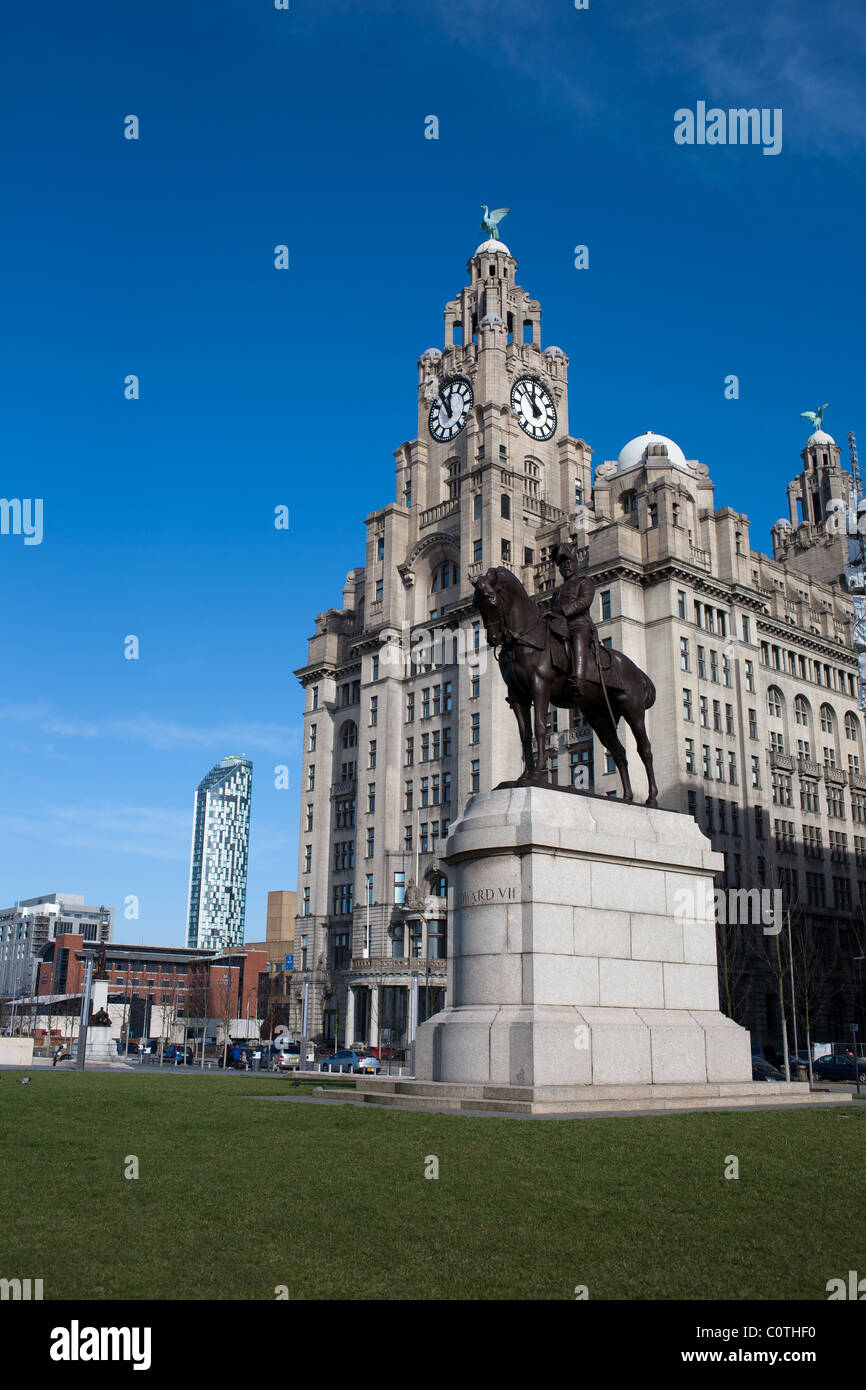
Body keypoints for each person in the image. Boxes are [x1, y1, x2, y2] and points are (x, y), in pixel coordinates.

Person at [547, 542, 598, 696]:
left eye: (569, 563)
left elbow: (585, 601)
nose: (566, 567)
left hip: (579, 623)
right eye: (562, 565)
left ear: (576, 563)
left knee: (578, 636)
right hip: (559, 625)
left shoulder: (584, 582)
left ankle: (579, 678)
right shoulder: (558, 590)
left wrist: (565, 610)